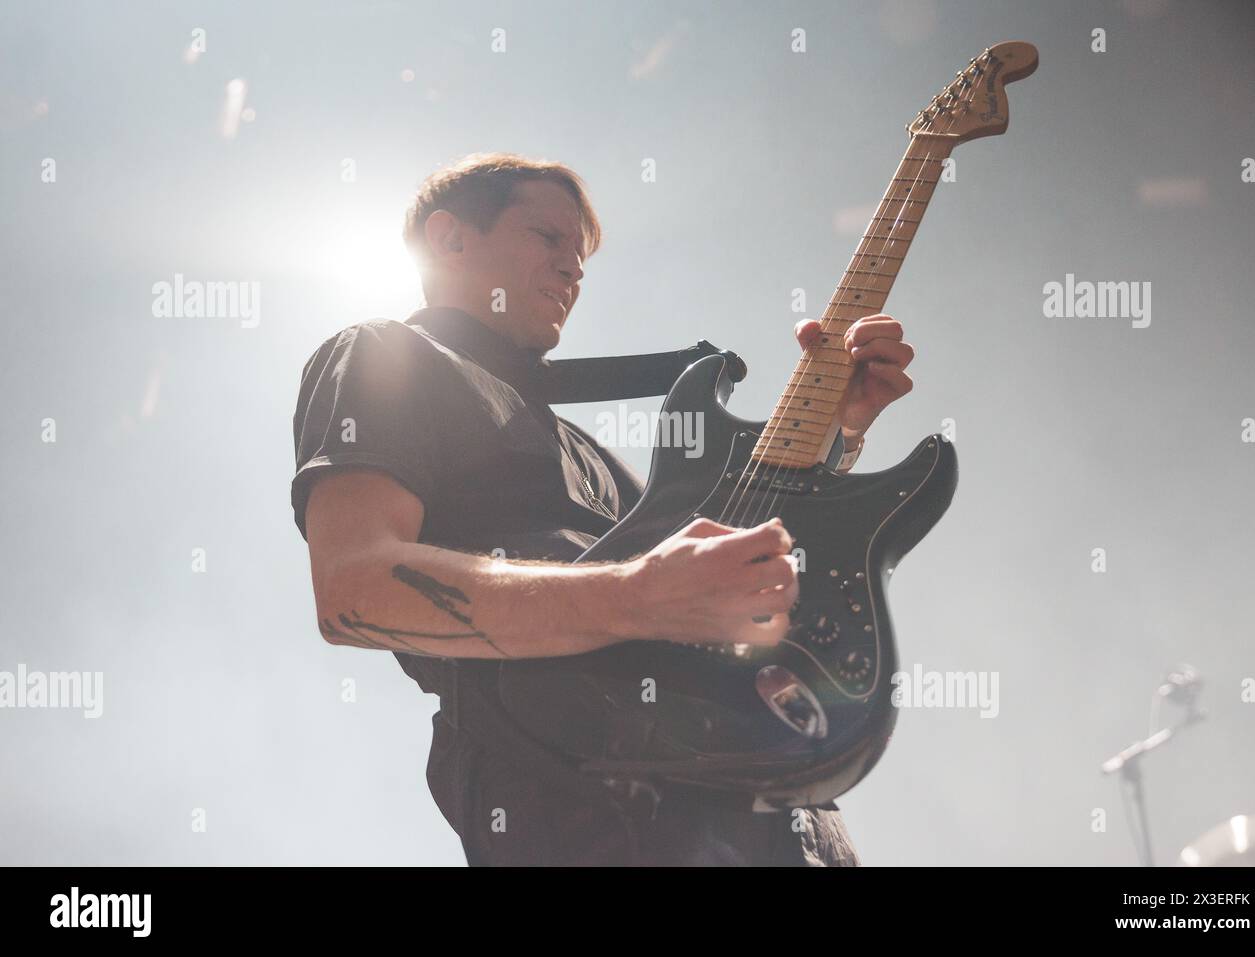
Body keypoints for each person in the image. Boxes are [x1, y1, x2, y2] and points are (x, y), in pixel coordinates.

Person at [291, 152, 917, 865]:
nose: (572, 270)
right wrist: (636, 595)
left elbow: (738, 572)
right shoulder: (382, 355)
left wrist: (837, 429)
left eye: (581, 256)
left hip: (775, 803)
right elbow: (353, 587)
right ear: (450, 238)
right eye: (547, 237)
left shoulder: (592, 452)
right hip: (584, 790)